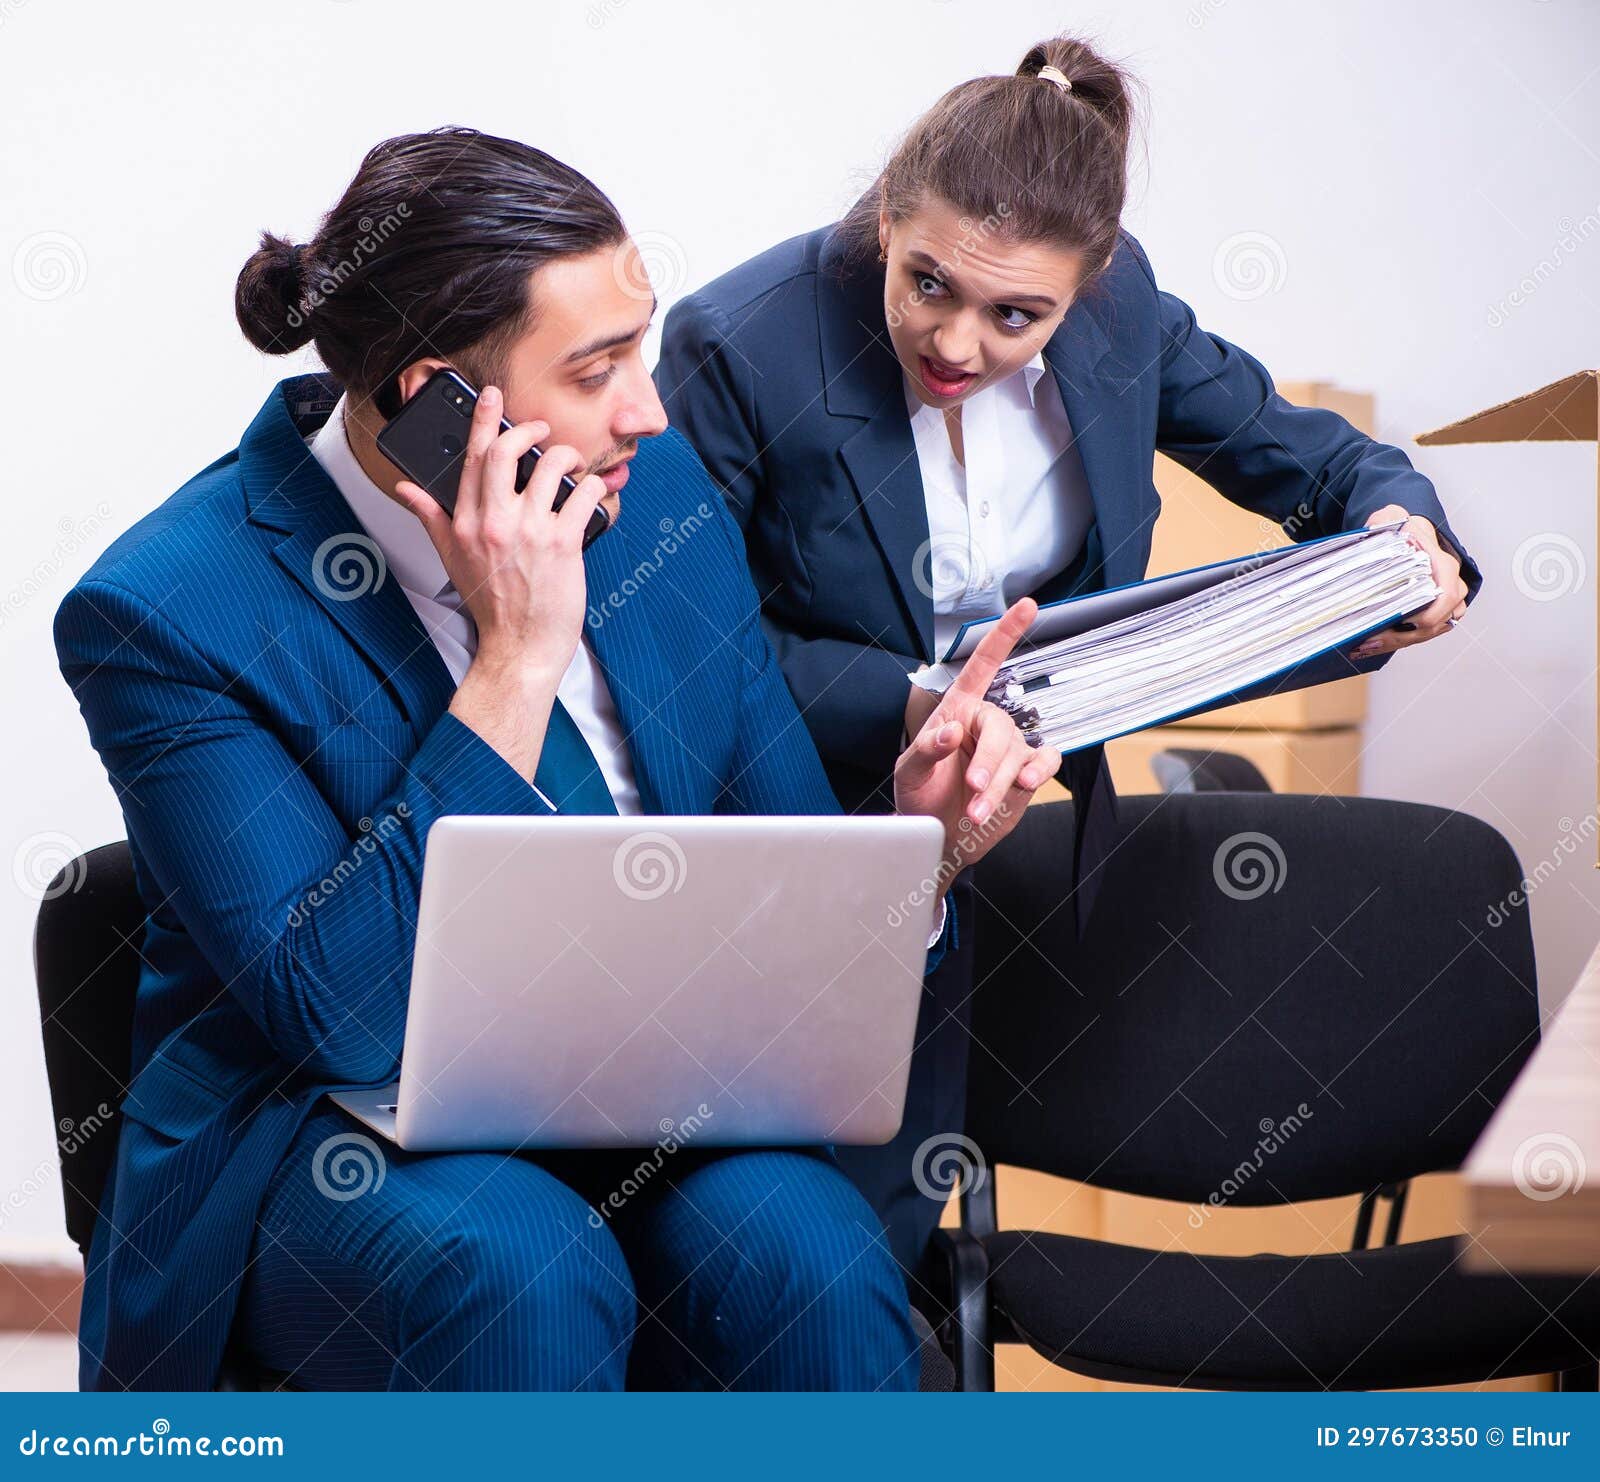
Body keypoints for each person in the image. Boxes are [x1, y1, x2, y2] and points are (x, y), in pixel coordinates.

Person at [55, 128, 1061, 1392]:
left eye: (638, 350)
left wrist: (922, 856)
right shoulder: (170, 607)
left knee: (802, 1252)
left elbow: (774, 897)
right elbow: (336, 1015)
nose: (648, 409)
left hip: (653, 1097)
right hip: (321, 1131)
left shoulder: (660, 500)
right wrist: (514, 666)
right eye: (595, 372)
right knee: (521, 1268)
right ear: (438, 403)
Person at [656, 34, 1481, 1279]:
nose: (956, 342)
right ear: (886, 219)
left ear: (1084, 290)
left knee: (913, 1206)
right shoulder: (741, 340)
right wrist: (920, 700)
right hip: (802, 832)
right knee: (805, 1244)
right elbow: (685, 650)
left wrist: (1403, 530)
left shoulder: (1121, 308)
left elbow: (1317, 458)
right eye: (928, 282)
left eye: (1015, 316)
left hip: (1010, 822)